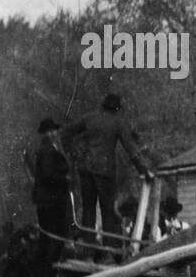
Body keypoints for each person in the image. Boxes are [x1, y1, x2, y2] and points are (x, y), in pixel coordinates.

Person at [62, 93, 152, 247]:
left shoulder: (89, 118)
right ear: (117, 109)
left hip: (86, 170)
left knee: (88, 210)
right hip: (105, 172)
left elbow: (65, 132)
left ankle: (88, 251)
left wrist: (72, 154)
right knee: (107, 211)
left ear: (103, 105)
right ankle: (108, 252)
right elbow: (131, 149)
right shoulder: (118, 122)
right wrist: (144, 170)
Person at [31, 118, 71, 277]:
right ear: (44, 134)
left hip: (47, 200)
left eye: (54, 130)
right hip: (52, 201)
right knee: (53, 239)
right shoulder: (48, 151)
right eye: (48, 131)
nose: (52, 133)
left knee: (48, 239)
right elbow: (48, 176)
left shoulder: (49, 149)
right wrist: (65, 179)